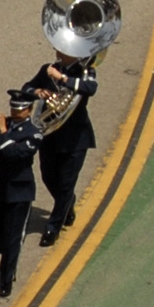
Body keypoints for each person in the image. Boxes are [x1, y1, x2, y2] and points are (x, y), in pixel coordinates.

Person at [26, 49, 98, 248]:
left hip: (76, 138)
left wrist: (63, 79)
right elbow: (26, 88)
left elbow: (90, 88)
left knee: (66, 182)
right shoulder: (48, 70)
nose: (58, 51)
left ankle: (53, 227)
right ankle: (67, 204)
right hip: (50, 135)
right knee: (48, 176)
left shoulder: (85, 71)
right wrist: (37, 92)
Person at [0, 90, 42, 297]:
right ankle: (5, 255)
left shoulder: (33, 132)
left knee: (13, 236)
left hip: (18, 191)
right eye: (13, 107)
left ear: (29, 110)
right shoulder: (1, 125)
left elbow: (13, 154)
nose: (15, 112)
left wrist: (2, 132)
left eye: (20, 109)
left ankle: (6, 278)